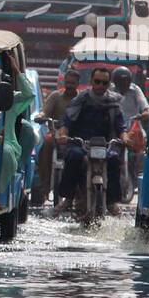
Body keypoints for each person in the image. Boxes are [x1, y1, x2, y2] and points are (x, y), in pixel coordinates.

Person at [56, 66, 127, 213]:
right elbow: (67, 122)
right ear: (91, 81)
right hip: (81, 144)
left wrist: (125, 139)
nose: (100, 85)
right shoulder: (81, 99)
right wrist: (63, 135)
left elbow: (121, 127)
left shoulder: (114, 102)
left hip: (106, 145)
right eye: (97, 81)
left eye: (104, 83)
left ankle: (112, 202)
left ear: (109, 84)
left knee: (114, 160)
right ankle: (68, 199)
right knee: (73, 157)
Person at [31, 69, 80, 204]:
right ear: (64, 82)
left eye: (72, 83)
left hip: (74, 136)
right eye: (68, 82)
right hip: (55, 133)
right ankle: (45, 186)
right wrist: (41, 117)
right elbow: (45, 111)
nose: (69, 85)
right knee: (45, 144)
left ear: (77, 84)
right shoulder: (55, 96)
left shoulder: (81, 99)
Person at [112, 66, 149, 195]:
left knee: (142, 151)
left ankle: (139, 174)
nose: (124, 86)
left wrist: (144, 113)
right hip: (115, 129)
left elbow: (145, 107)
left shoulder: (135, 90)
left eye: (126, 83)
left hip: (133, 128)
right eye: (121, 83)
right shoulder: (110, 91)